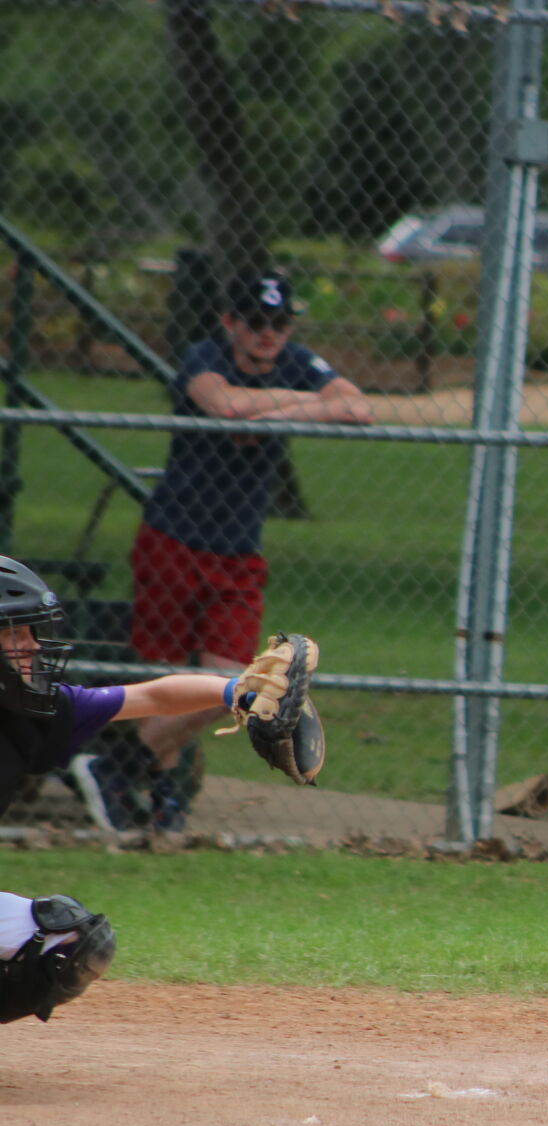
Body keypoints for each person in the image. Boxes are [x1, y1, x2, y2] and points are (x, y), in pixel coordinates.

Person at [74, 270, 369, 834]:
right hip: (174, 540)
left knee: (236, 683)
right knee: (167, 682)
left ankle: (114, 767)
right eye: (255, 323)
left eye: (279, 324)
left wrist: (271, 410)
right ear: (231, 322)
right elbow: (225, 406)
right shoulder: (203, 355)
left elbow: (357, 408)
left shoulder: (299, 360)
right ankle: (162, 794)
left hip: (238, 553)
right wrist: (307, 402)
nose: (268, 336)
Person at [0, 558, 303, 1024]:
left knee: (70, 940)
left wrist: (238, 694)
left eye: (31, 632)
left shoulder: (34, 710)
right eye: (15, 633)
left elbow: (152, 698)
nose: (33, 646)